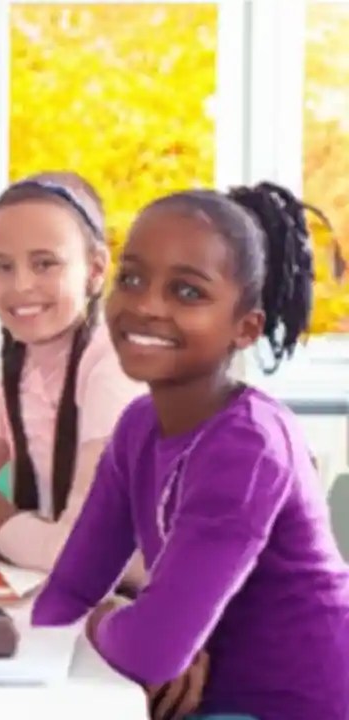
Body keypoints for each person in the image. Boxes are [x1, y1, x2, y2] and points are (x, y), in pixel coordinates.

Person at [31, 182, 349, 720]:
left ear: (244, 328)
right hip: (207, 699)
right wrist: (111, 621)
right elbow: (69, 590)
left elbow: (151, 649)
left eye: (187, 292)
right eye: (131, 278)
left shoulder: (248, 447)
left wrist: (107, 616)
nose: (146, 306)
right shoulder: (139, 426)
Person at [0, 173, 147, 579]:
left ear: (95, 269)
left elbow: (87, 554)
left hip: (179, 626)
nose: (21, 285)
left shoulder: (112, 370)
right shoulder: (23, 368)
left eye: (45, 263)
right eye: (2, 266)